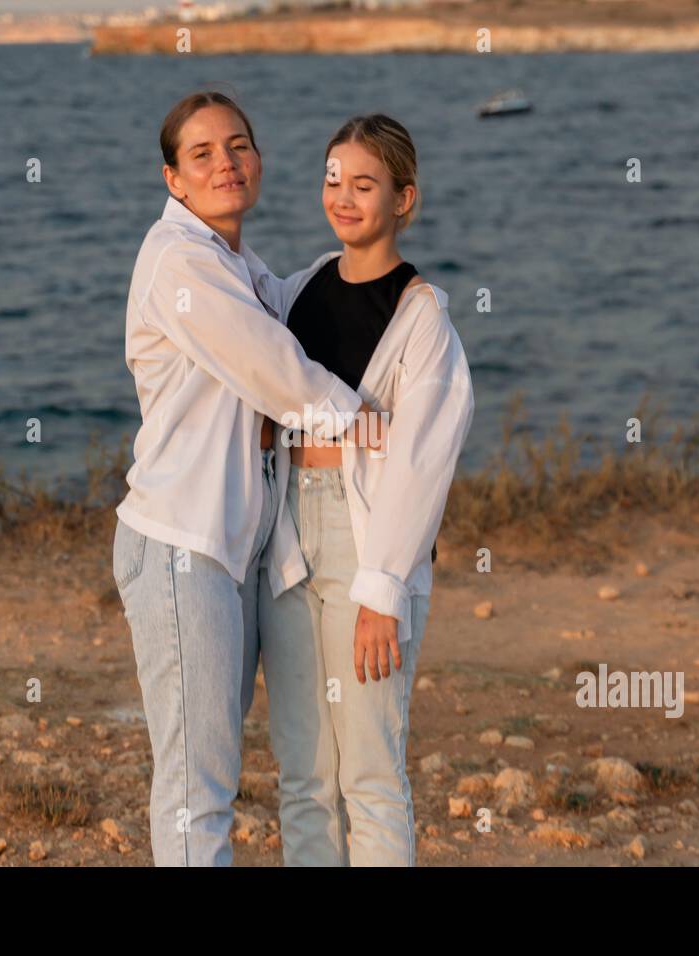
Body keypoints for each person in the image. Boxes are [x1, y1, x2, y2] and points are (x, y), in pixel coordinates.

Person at [112, 91, 379, 866]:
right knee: (199, 789)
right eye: (202, 154)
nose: (225, 163)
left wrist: (369, 263)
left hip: (234, 553)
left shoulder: (238, 265)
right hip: (181, 548)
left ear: (259, 161)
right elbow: (271, 363)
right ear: (174, 179)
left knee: (219, 774)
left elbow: (287, 305)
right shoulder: (179, 262)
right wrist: (359, 419)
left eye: (238, 145)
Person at [258, 114, 474, 866]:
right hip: (288, 539)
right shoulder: (301, 289)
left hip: (368, 544)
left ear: (403, 198)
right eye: (331, 180)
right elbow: (258, 365)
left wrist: (383, 591)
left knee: (372, 773)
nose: (342, 198)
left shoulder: (422, 320)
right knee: (303, 772)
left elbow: (423, 462)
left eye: (363, 184)